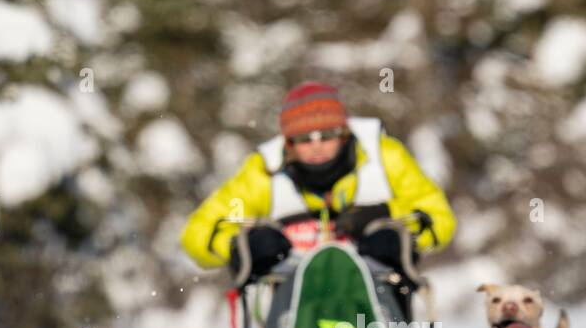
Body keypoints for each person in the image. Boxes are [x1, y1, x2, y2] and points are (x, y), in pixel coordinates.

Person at [180, 82, 455, 286]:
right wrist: (242, 246)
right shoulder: (264, 171)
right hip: (291, 310)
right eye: (304, 138)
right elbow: (198, 234)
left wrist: (390, 223)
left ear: (344, 134)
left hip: (378, 303)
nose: (317, 146)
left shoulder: (383, 157)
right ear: (289, 144)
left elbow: (439, 218)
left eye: (327, 135)